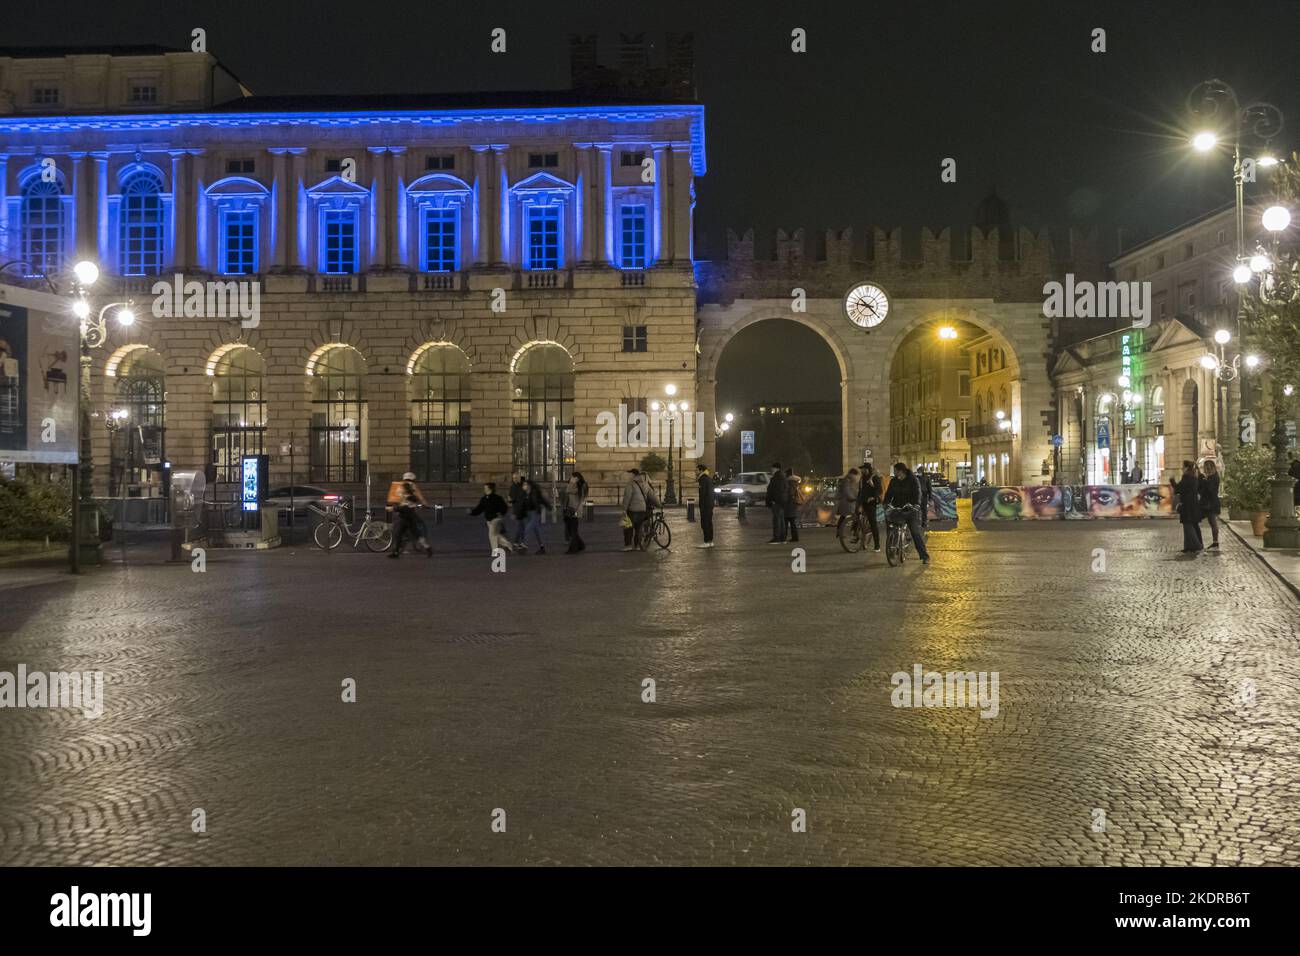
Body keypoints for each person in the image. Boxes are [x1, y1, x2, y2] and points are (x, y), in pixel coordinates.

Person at [882, 461, 930, 564]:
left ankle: (924, 556)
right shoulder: (894, 481)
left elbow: (918, 493)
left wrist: (916, 504)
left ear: (900, 471)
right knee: (891, 527)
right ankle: (891, 549)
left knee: (915, 532)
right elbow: (889, 494)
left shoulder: (913, 480)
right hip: (897, 508)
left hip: (910, 509)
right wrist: (886, 503)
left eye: (895, 471)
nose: (894, 473)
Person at [389, 471, 432, 559]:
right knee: (416, 533)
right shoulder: (414, 487)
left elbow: (397, 499)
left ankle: (396, 552)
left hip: (404, 512)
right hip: (411, 512)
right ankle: (427, 548)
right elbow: (421, 498)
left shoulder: (401, 486)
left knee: (398, 533)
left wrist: (394, 508)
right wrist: (426, 505)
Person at [621, 468, 659, 550]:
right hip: (642, 510)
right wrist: (659, 505)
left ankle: (628, 545)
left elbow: (627, 497)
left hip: (632, 510)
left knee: (629, 527)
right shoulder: (645, 484)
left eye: (630, 474)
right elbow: (652, 496)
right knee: (639, 529)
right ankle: (637, 545)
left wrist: (624, 509)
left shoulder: (631, 484)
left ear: (633, 475)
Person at [469, 482, 511, 555]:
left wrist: (501, 514)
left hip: (496, 519)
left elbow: (504, 507)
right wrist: (471, 512)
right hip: (489, 520)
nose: (484, 489)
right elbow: (479, 509)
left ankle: (496, 551)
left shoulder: (497, 498)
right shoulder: (484, 499)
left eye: (486, 488)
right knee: (495, 535)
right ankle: (507, 544)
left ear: (490, 489)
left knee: (492, 535)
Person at [1171, 460, 1203, 553]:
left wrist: (1172, 481)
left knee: (1188, 526)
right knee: (1194, 525)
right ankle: (1190, 546)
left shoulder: (1186, 477)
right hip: (1194, 504)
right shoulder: (1194, 477)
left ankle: (1196, 545)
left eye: (1183, 466)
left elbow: (1179, 489)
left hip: (1187, 505)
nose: (1182, 468)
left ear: (1186, 467)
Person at [518, 478, 552, 554]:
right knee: (537, 531)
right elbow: (522, 504)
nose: (524, 486)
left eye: (525, 484)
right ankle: (542, 547)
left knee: (528, 528)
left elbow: (542, 500)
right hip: (529, 513)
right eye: (523, 485)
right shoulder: (524, 493)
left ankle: (524, 544)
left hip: (535, 513)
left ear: (529, 486)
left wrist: (549, 507)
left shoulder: (535, 492)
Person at [857, 462, 883, 552]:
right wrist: (859, 503)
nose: (861, 470)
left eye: (863, 468)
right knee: (857, 518)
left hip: (871, 503)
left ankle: (877, 545)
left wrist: (872, 497)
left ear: (867, 469)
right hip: (863, 502)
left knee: (873, 523)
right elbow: (861, 491)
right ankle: (857, 537)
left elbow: (879, 490)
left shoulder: (874, 478)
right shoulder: (862, 478)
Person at [563, 471, 589, 554]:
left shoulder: (582, 485)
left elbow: (570, 491)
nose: (571, 479)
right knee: (571, 530)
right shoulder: (574, 485)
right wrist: (572, 483)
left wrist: (572, 483)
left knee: (573, 530)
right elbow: (567, 491)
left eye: (572, 477)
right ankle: (581, 545)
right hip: (569, 509)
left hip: (576, 509)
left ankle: (573, 548)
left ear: (577, 478)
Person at [1199, 459, 1221, 549]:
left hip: (1211, 504)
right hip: (1209, 503)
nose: (1206, 469)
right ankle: (1214, 542)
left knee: (1213, 522)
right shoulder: (1210, 477)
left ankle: (1215, 542)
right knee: (1212, 522)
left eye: (1207, 467)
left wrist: (1204, 481)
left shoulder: (1213, 477)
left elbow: (1210, 490)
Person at [835, 467, 861, 540]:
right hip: (849, 501)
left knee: (843, 516)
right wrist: (853, 498)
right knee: (856, 515)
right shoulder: (849, 480)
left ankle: (839, 532)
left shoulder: (847, 479)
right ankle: (854, 531)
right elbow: (847, 490)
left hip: (845, 501)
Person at [766, 462, 787, 543]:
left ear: (776, 468)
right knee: (781, 519)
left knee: (777, 520)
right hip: (781, 501)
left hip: (777, 502)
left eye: (772, 468)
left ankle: (777, 537)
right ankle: (782, 537)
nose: (771, 469)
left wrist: (774, 500)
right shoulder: (782, 477)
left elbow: (776, 490)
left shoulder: (777, 478)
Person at [696, 463, 716, 548]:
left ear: (701, 470)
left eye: (696, 470)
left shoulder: (702, 479)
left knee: (705, 523)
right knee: (709, 522)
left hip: (705, 505)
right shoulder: (709, 478)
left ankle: (706, 541)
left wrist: (701, 505)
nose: (695, 471)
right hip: (710, 504)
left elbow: (702, 494)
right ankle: (710, 541)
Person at [508, 474, 528, 548]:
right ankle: (516, 542)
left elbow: (525, 496)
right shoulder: (513, 487)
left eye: (516, 478)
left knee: (522, 526)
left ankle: (521, 542)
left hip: (522, 509)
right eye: (513, 478)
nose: (515, 479)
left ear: (519, 478)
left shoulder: (522, 486)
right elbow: (511, 498)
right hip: (517, 509)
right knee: (520, 526)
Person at [783, 468, 803, 543]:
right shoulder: (794, 482)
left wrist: (785, 499)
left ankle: (786, 537)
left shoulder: (790, 483)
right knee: (791, 522)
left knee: (786, 521)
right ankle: (794, 537)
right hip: (792, 505)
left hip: (789, 505)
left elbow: (790, 494)